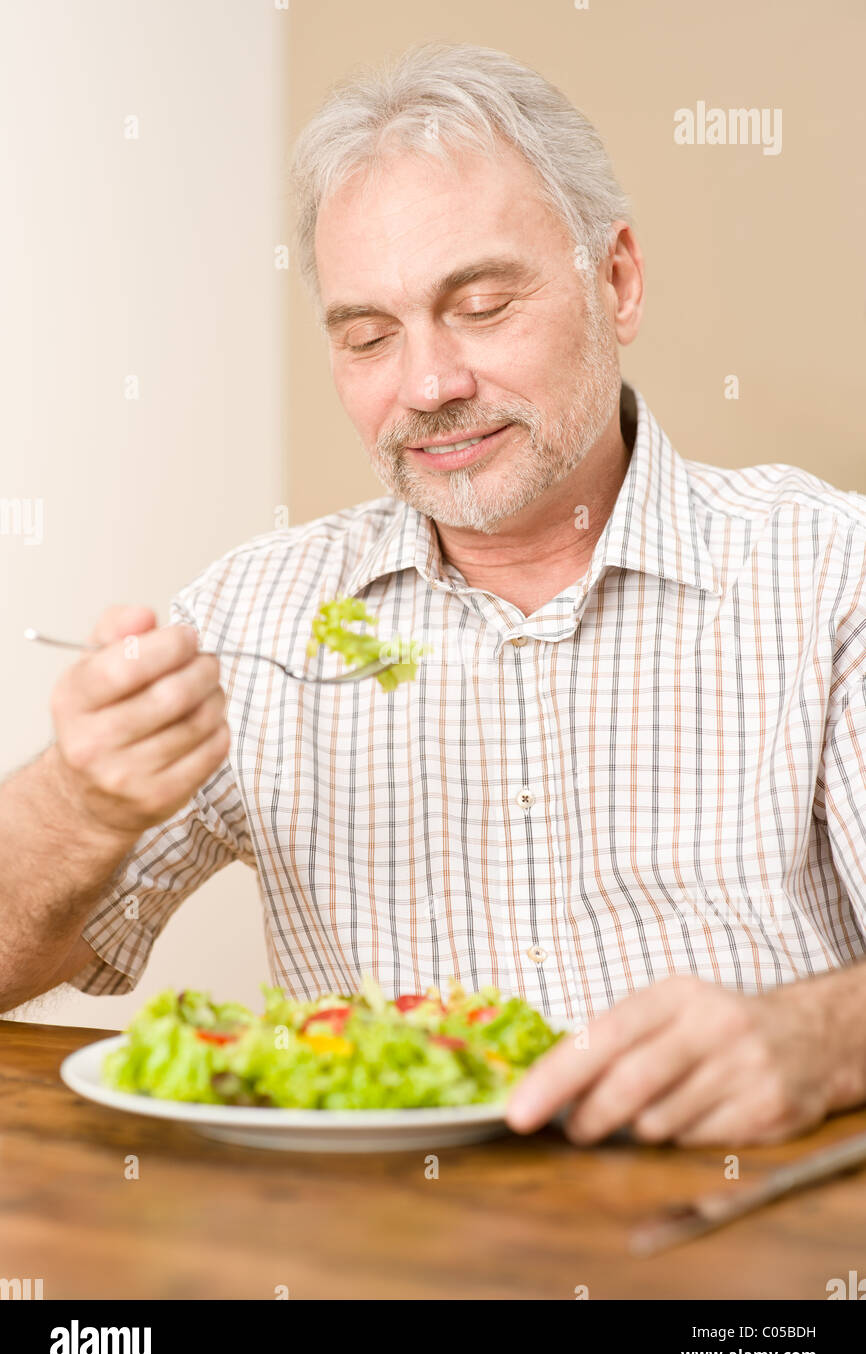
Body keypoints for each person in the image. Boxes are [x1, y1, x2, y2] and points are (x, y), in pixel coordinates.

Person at [2, 42, 865, 1148]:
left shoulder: (827, 572)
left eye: (482, 305)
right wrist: (78, 801)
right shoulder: (260, 618)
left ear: (616, 281)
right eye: (368, 336)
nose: (427, 384)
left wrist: (819, 1035)